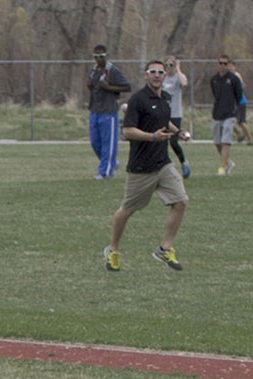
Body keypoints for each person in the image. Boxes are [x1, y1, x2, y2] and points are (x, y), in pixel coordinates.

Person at [104, 60, 189, 274]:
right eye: (153, 72)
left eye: (161, 72)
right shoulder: (138, 100)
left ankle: (164, 248)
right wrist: (152, 136)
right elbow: (128, 131)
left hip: (163, 164)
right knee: (127, 210)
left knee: (180, 202)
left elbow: (164, 120)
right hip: (141, 168)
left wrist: (178, 132)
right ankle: (113, 250)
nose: (157, 75)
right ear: (146, 75)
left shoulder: (164, 99)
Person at [86, 44, 131, 179]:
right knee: (95, 142)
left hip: (108, 111)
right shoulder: (93, 70)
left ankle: (106, 172)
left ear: (106, 56)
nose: (99, 59)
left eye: (101, 56)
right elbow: (95, 88)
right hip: (95, 109)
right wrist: (89, 86)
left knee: (108, 143)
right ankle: (111, 162)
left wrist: (109, 87)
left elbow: (127, 86)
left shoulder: (112, 70)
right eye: (96, 56)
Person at [210, 55, 243, 175]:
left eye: (225, 63)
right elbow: (215, 94)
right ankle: (228, 162)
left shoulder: (233, 79)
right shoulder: (214, 79)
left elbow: (238, 96)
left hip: (230, 114)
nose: (223, 66)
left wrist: (237, 113)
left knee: (226, 141)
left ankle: (223, 167)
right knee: (217, 142)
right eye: (221, 63)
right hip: (217, 114)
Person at [161, 55, 190, 178]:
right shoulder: (163, 78)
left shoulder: (177, 78)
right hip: (163, 114)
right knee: (161, 141)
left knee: (173, 142)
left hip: (175, 114)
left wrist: (178, 69)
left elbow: (184, 83)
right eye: (166, 65)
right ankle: (163, 168)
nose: (168, 68)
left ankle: (184, 162)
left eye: (171, 65)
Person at [229, 61, 253, 145]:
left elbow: (242, 86)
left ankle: (250, 139)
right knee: (227, 120)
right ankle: (240, 135)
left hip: (240, 102)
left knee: (241, 122)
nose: (229, 68)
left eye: (231, 66)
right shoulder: (228, 76)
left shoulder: (236, 76)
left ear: (234, 67)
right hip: (232, 102)